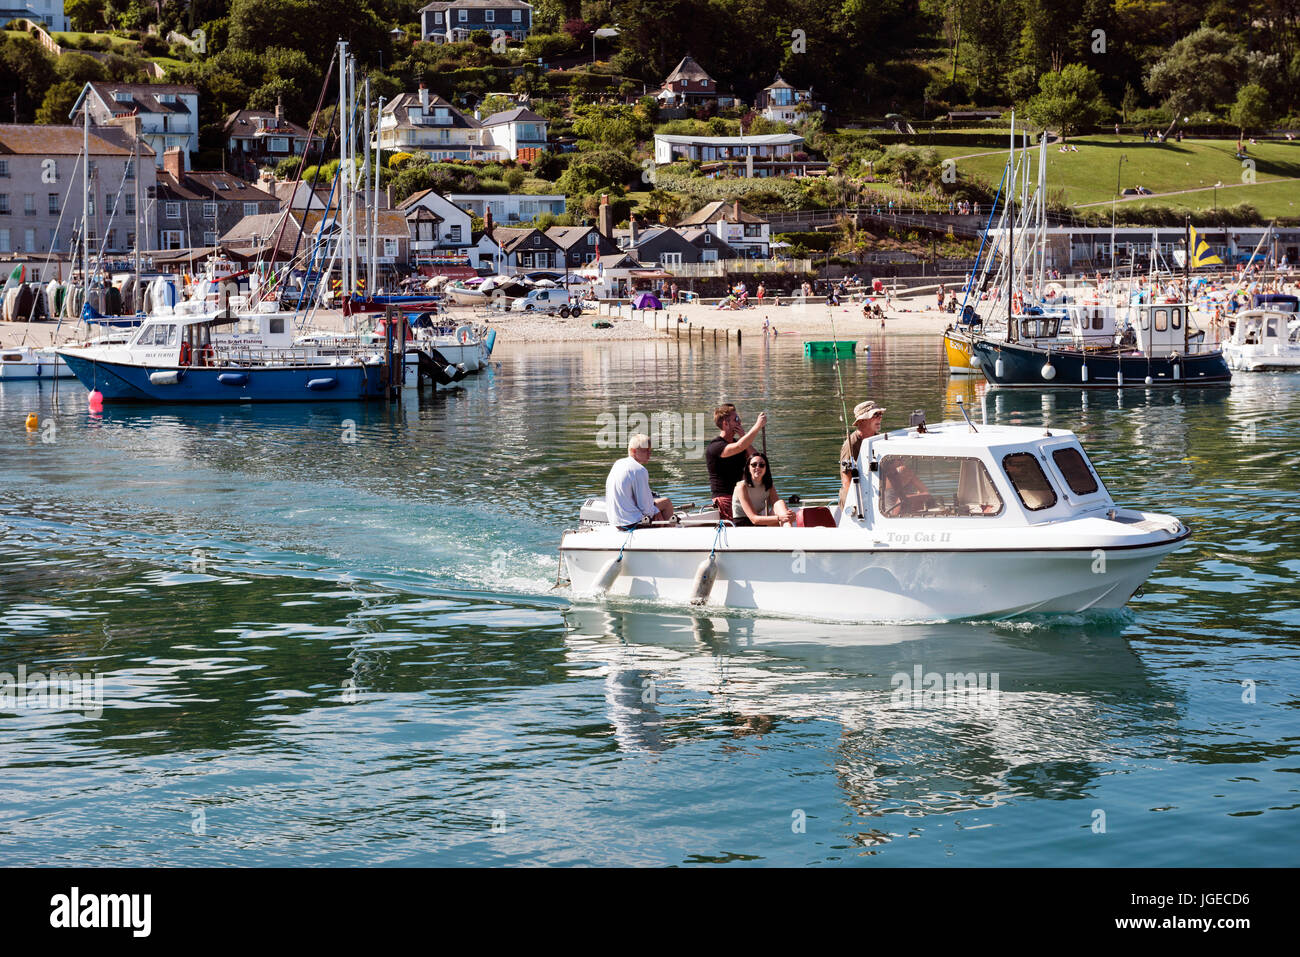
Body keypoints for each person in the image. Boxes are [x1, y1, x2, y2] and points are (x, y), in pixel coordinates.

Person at [705, 404, 767, 521]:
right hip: (726, 498)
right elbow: (739, 446)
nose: (740, 422)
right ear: (725, 424)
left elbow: (758, 460)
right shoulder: (716, 447)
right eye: (736, 419)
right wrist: (757, 426)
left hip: (743, 495)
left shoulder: (740, 444)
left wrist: (743, 435)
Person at [605, 433, 673, 529]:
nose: (649, 454)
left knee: (657, 505)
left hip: (616, 523)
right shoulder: (639, 470)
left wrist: (655, 510)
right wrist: (656, 512)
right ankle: (670, 535)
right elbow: (646, 509)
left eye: (650, 451)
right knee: (666, 502)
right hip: (634, 523)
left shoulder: (618, 464)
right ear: (633, 451)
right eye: (645, 451)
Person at [838, 400, 885, 510]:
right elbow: (846, 478)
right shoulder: (851, 444)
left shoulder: (878, 439)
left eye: (880, 414)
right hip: (856, 501)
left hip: (873, 494)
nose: (880, 417)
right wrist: (857, 502)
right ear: (862, 420)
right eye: (875, 415)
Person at [732, 452, 793, 527]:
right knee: (782, 517)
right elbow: (753, 519)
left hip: (759, 523)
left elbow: (778, 507)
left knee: (780, 503)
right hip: (744, 525)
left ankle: (788, 531)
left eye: (761, 465)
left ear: (766, 468)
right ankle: (790, 534)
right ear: (748, 467)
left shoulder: (769, 485)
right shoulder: (741, 487)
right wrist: (780, 518)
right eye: (754, 465)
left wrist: (789, 516)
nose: (757, 467)